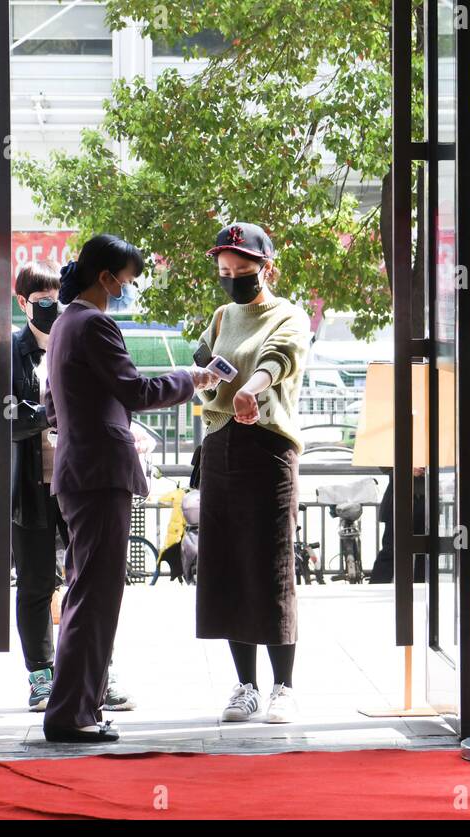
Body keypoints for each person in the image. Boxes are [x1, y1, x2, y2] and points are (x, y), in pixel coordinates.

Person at [41, 235, 217, 743]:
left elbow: (56, 408)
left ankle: (80, 707)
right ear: (106, 278)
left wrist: (105, 422)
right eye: (126, 282)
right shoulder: (94, 324)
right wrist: (191, 377)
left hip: (78, 470)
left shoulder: (63, 326)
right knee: (95, 596)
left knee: (84, 590)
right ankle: (72, 714)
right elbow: (135, 390)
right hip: (99, 476)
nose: (126, 291)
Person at [194, 222, 312, 724]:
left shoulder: (288, 314)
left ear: (265, 267)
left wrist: (253, 388)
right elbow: (204, 366)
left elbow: (276, 359)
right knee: (225, 565)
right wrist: (203, 382)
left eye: (243, 270)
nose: (233, 278)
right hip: (220, 444)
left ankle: (283, 686)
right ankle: (245, 686)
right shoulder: (222, 316)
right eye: (225, 271)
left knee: (270, 564)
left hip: (268, 448)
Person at [0, 260, 73, 713]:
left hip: (79, 482)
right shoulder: (2, 353)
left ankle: (94, 671)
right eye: (44, 303)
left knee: (89, 582)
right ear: (22, 303)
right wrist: (51, 413)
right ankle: (40, 676)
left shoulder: (77, 344)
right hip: (30, 486)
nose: (54, 309)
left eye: (59, 300)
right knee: (34, 583)